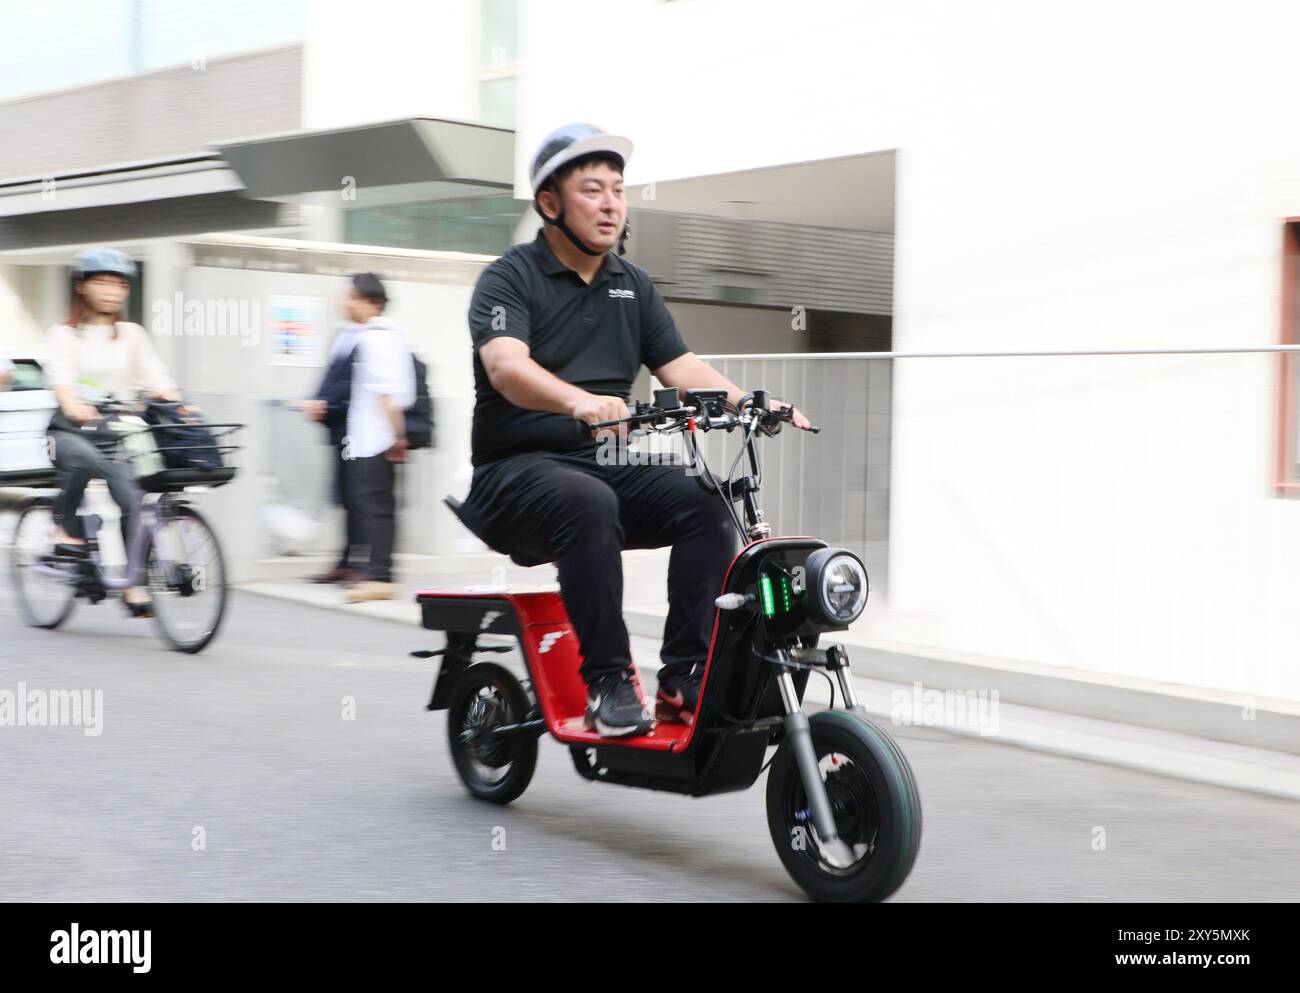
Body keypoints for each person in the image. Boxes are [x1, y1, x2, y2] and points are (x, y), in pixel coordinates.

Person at [458, 123, 811, 737]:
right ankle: (609, 682)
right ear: (550, 204)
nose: (610, 204)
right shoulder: (510, 277)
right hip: (514, 475)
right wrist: (579, 403)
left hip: (603, 463)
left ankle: (685, 672)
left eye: (617, 190)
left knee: (704, 500)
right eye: (592, 190)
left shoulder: (632, 284)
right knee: (587, 502)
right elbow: (505, 366)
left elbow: (681, 366)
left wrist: (755, 402)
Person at [42, 247, 184, 617]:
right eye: (102, 282)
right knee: (82, 460)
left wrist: (176, 402)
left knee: (135, 502)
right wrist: (71, 402)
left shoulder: (132, 335)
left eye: (119, 284)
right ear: (82, 287)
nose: (111, 291)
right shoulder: (64, 334)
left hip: (113, 432)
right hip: (69, 430)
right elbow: (59, 376)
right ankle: (64, 529)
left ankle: (134, 584)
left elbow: (156, 377)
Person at [340, 272, 415, 603]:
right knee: (369, 505)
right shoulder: (375, 336)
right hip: (369, 438)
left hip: (376, 439)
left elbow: (387, 394)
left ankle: (381, 575)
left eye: (352, 297)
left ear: (371, 301)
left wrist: (398, 437)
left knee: (377, 508)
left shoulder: (379, 338)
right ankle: (375, 572)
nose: (346, 302)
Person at [302, 280, 368, 585]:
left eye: (350, 296)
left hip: (357, 428)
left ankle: (359, 562)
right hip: (338, 428)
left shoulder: (371, 337)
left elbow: (356, 384)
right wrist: (318, 401)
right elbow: (332, 376)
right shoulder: (344, 335)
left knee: (357, 497)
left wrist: (328, 405)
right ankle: (344, 560)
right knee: (343, 494)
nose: (345, 302)